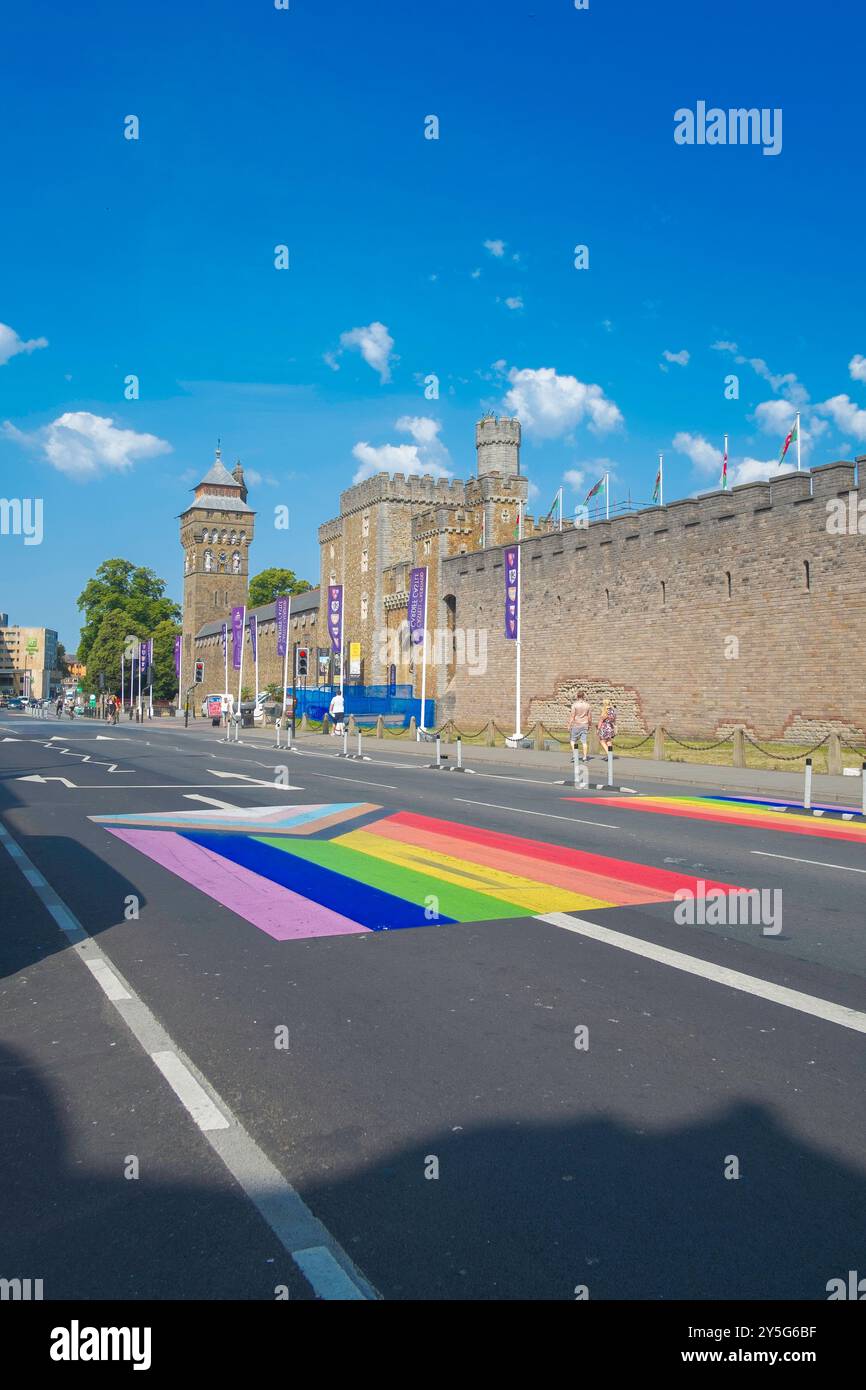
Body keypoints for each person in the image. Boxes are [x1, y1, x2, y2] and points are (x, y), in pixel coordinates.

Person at [568, 690, 592, 762]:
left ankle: (575, 755)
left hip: (576, 724)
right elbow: (589, 717)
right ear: (584, 696)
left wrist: (569, 724)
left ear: (577, 696)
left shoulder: (574, 705)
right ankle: (585, 757)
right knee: (584, 741)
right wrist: (590, 725)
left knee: (573, 740)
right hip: (585, 724)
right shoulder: (587, 705)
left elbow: (572, 716)